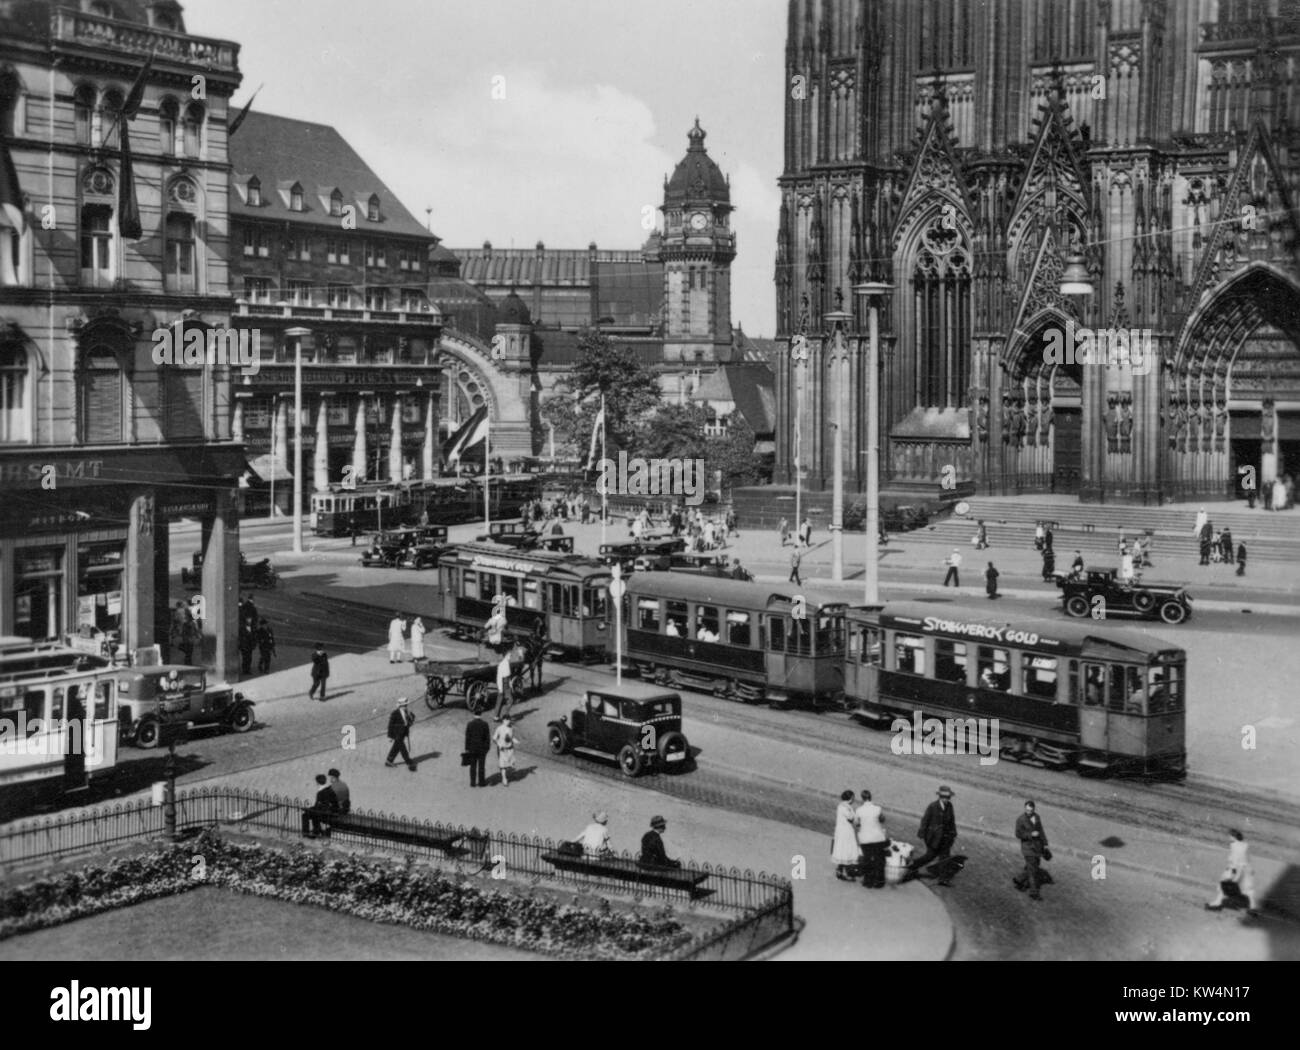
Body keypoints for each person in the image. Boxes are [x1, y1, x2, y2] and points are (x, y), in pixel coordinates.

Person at [1206, 829, 1259, 918]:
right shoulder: (1245, 845)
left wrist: (1233, 873)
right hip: (1246, 868)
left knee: (1224, 885)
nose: (1229, 837)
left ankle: (1217, 903)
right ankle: (1253, 907)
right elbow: (1247, 858)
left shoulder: (1233, 845)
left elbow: (1235, 860)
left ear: (1233, 836)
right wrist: (1250, 868)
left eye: (1230, 836)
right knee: (1248, 889)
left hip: (1235, 869)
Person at [910, 786, 958, 884]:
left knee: (945, 857)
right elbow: (925, 820)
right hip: (934, 838)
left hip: (945, 838)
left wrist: (953, 833)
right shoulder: (933, 806)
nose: (945, 799)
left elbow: (952, 821)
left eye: (948, 798)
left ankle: (943, 879)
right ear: (939, 797)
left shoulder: (950, 806)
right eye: (943, 797)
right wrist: (922, 833)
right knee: (930, 856)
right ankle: (912, 866)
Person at [1013, 800, 1050, 900]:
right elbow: (1018, 834)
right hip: (1028, 848)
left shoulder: (1037, 817)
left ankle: (1019, 879)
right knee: (1033, 870)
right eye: (1027, 810)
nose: (1028, 812)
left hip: (1037, 847)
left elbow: (1041, 831)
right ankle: (1034, 892)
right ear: (1025, 809)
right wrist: (1030, 835)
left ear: (1034, 809)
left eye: (1030, 810)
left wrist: (1045, 844)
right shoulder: (1020, 819)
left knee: (1034, 866)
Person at [855, 789, 888, 889]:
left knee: (867, 859)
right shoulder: (878, 809)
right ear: (871, 797)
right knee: (879, 860)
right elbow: (882, 820)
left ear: (862, 798)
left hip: (865, 838)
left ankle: (868, 881)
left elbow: (857, 823)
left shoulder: (859, 810)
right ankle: (879, 882)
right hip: (878, 837)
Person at [831, 791, 860, 881]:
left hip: (843, 831)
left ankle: (840, 870)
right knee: (847, 850)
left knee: (842, 849)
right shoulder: (845, 808)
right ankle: (846, 872)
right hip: (845, 832)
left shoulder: (843, 806)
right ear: (850, 798)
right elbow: (851, 818)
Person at [301, 773, 339, 838]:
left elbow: (318, 806)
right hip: (329, 812)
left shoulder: (320, 792)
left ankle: (306, 834)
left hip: (323, 813)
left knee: (305, 815)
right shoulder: (330, 789)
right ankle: (316, 832)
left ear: (317, 782)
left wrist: (308, 809)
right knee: (313, 814)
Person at [385, 697, 417, 771]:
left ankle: (389, 760)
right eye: (404, 705)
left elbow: (412, 718)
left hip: (403, 732)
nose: (406, 707)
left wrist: (410, 717)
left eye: (406, 705)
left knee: (396, 747)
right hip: (397, 733)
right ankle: (408, 762)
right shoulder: (395, 713)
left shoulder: (407, 712)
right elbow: (390, 725)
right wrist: (390, 736)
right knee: (403, 748)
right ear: (400, 706)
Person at [464, 712, 491, 788]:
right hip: (482, 749)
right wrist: (487, 748)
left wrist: (467, 748)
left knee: (472, 766)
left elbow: (467, 737)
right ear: (481, 715)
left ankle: (472, 782)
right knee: (481, 766)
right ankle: (481, 782)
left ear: (474, 715)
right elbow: (487, 738)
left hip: (472, 748)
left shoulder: (470, 724)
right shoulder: (485, 724)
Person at [492, 716, 516, 787]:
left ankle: (507, 775)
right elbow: (494, 738)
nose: (508, 722)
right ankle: (504, 779)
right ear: (503, 720)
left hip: (510, 748)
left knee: (510, 763)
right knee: (502, 765)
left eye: (509, 720)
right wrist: (499, 744)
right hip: (502, 749)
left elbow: (512, 737)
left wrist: (515, 740)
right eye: (507, 720)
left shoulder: (511, 728)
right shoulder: (499, 728)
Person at [494, 649, 515, 721]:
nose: (510, 657)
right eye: (509, 655)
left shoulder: (507, 663)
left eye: (510, 655)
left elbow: (508, 676)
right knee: (499, 700)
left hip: (507, 684)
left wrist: (510, 684)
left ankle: (506, 715)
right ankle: (496, 717)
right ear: (506, 656)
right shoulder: (501, 665)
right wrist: (500, 688)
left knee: (510, 700)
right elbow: (499, 677)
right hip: (502, 684)